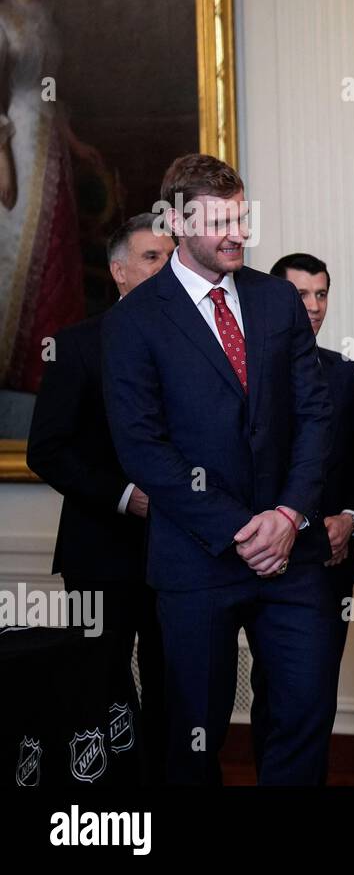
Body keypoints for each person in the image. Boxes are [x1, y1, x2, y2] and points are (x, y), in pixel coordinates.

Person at [102, 154, 336, 785]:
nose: (237, 233)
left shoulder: (277, 300)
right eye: (219, 221)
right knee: (194, 735)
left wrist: (287, 516)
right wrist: (242, 530)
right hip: (198, 560)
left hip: (292, 556)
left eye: (242, 216)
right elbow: (143, 448)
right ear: (176, 222)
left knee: (303, 717)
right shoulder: (134, 321)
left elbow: (315, 415)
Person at [27, 212, 173, 784]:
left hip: (178, 551)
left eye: (171, 257)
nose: (166, 269)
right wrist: (125, 497)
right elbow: (48, 449)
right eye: (152, 258)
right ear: (119, 272)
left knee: (177, 683)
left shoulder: (195, 343)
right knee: (100, 681)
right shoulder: (75, 346)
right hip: (100, 552)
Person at [266, 253, 354, 723]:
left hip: (329, 562)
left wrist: (351, 517)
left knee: (315, 698)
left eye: (321, 293)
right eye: (300, 294)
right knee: (272, 695)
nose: (313, 305)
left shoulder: (344, 372)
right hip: (266, 560)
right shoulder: (248, 370)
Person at [0, 0, 96, 392]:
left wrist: (74, 142)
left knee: (58, 246)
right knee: (16, 252)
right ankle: (15, 368)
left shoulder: (45, 19)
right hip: (12, 144)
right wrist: (2, 158)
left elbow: (49, 92)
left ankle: (52, 368)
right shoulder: (0, 19)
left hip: (49, 147)